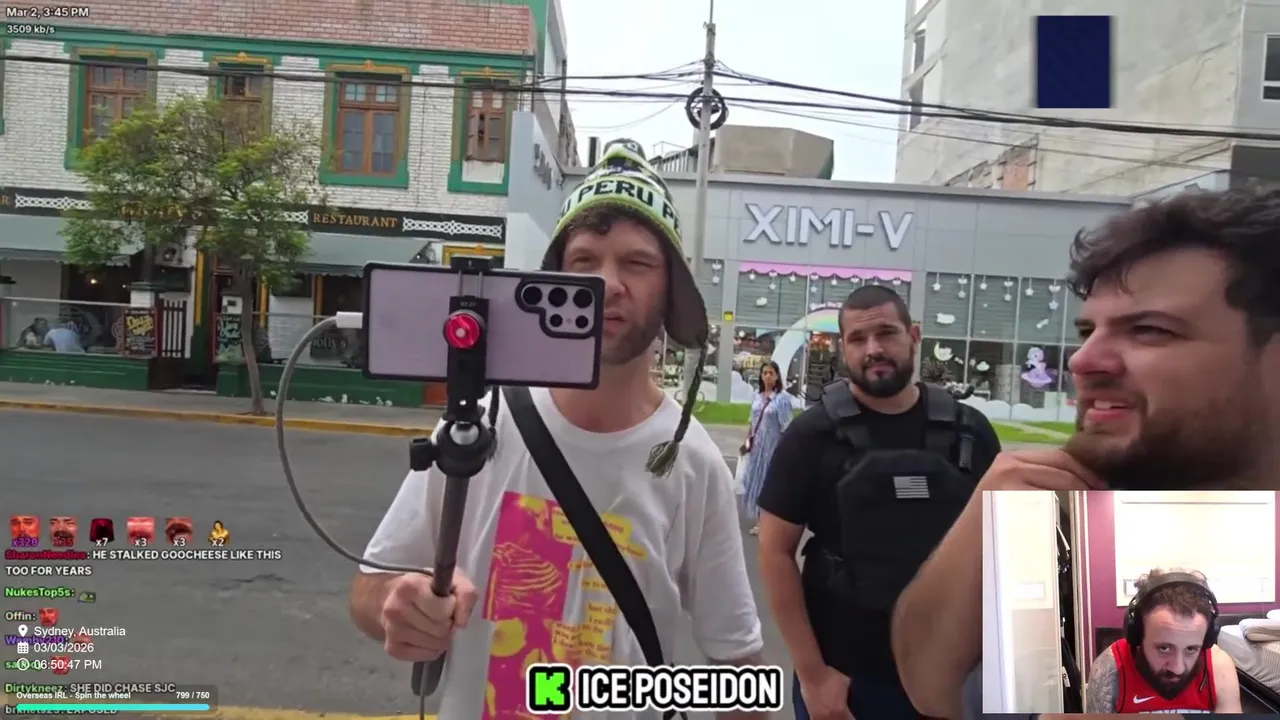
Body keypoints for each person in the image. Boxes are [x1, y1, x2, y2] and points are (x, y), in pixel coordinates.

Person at [348, 140, 766, 719]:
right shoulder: (480, 423)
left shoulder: (691, 460)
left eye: (637, 263)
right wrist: (399, 607)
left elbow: (739, 667)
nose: (608, 284)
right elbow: (373, 587)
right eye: (584, 261)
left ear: (671, 292)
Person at [893, 188, 1280, 718]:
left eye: (1150, 330)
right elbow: (931, 692)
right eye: (1088, 330)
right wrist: (980, 531)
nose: (1082, 360)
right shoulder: (1056, 508)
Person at [756, 284, 1002, 720]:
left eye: (887, 333)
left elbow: (1005, 558)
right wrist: (813, 676)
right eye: (858, 339)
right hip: (847, 684)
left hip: (952, 680)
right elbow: (774, 552)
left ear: (914, 335)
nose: (873, 349)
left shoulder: (971, 432)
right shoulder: (810, 437)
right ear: (843, 347)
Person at [1085, 569, 1241, 714]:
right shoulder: (1109, 669)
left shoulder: (1219, 667)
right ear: (1138, 635)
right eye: (1164, 648)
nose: (1177, 668)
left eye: (1191, 649)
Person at [740, 360, 793, 535]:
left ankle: (764, 522)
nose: (768, 376)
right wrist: (747, 441)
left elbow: (787, 426)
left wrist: (784, 450)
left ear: (777, 376)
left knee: (767, 483)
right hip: (756, 447)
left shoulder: (782, 399)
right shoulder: (757, 396)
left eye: (771, 373)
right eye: (765, 373)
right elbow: (752, 421)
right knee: (752, 480)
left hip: (772, 447)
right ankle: (759, 518)